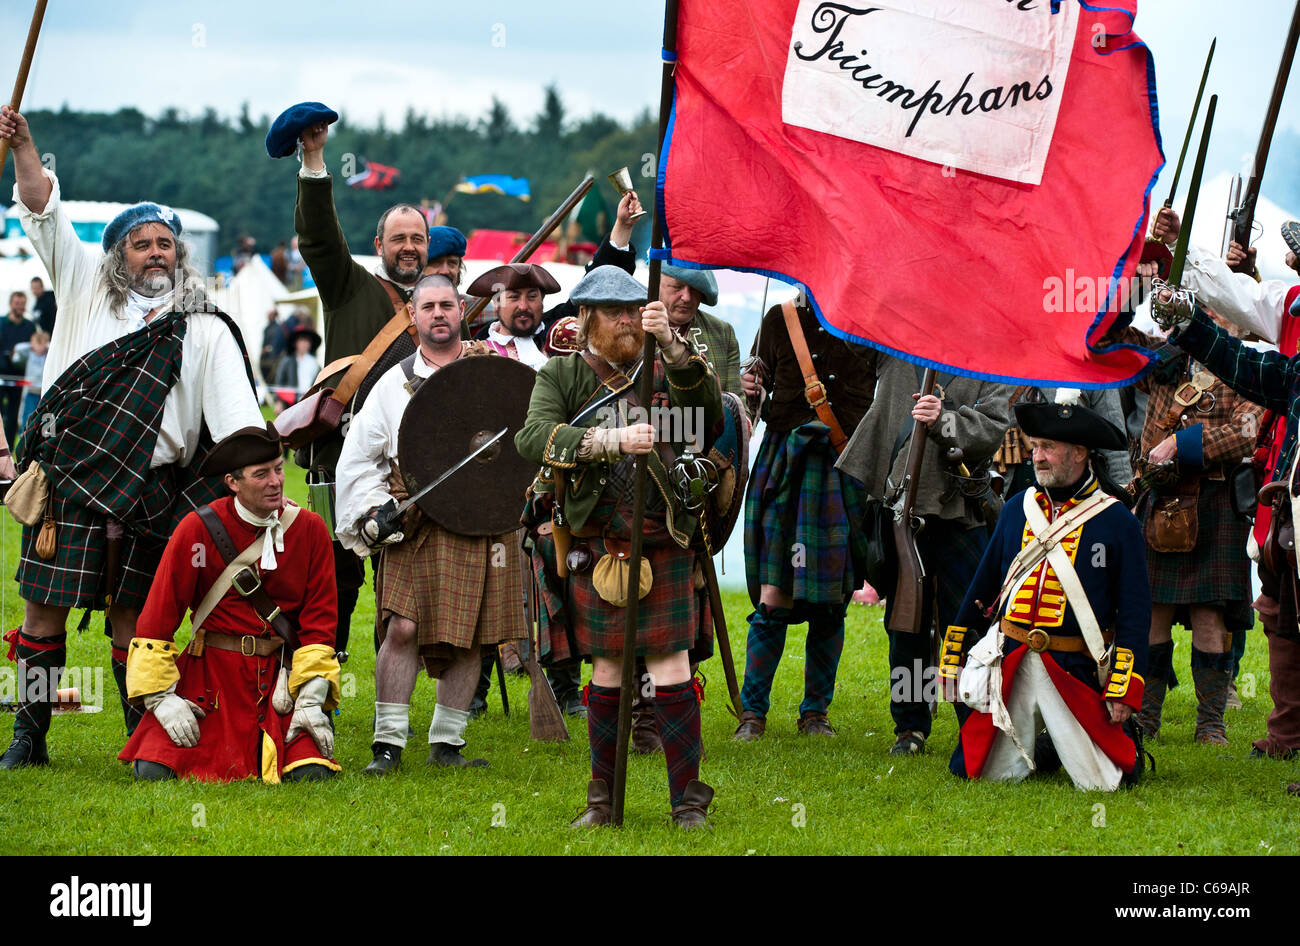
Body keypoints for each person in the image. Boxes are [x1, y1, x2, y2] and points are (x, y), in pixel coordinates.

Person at [0, 105, 265, 769]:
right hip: (71, 480)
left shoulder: (202, 324)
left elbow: (237, 421)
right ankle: (27, 739)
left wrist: (258, 478)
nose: (155, 253)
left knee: (137, 621)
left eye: (165, 243)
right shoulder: (85, 286)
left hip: (152, 488)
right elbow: (43, 207)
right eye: (141, 243)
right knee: (41, 617)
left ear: (180, 254)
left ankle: (135, 735)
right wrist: (25, 144)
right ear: (118, 253)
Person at [516, 265, 724, 828]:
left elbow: (709, 419)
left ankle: (688, 802)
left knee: (671, 665)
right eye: (614, 312)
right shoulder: (561, 375)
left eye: (634, 310)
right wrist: (609, 440)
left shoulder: (665, 365)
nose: (627, 321)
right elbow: (532, 437)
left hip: (664, 539)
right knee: (607, 669)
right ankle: (602, 802)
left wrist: (678, 355)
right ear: (586, 319)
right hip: (599, 544)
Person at [335, 274, 527, 774]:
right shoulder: (391, 382)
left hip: (485, 517)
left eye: (447, 305)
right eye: (428, 307)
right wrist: (375, 509)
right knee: (403, 627)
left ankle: (447, 745)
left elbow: (530, 437)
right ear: (414, 316)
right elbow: (358, 459)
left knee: (473, 632)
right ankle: (388, 745)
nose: (438, 314)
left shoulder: (493, 370)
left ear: (461, 310)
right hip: (415, 517)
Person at [1153, 207, 1300, 758]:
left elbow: (1250, 401)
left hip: (1222, 491)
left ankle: (1219, 722)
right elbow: (1241, 311)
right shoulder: (1292, 308)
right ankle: (1287, 735)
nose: (1290, 259)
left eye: (1298, 254)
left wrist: (1193, 327)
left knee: (1223, 614)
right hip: (1282, 494)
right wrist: (1182, 263)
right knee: (1282, 613)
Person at [947, 395, 1151, 790]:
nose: (1036, 457)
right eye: (1035, 447)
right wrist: (952, 659)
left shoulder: (1117, 520)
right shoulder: (1016, 509)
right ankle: (1045, 748)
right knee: (986, 774)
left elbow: (1135, 613)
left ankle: (1061, 746)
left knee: (1102, 783)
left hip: (1076, 668)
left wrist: (1123, 688)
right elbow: (982, 586)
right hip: (1013, 660)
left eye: (1048, 448)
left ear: (1079, 453)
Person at [118, 424, 340, 782]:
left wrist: (311, 698)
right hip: (209, 680)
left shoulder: (310, 529)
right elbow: (157, 618)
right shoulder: (196, 529)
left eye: (278, 468)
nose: (276, 481)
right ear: (233, 482)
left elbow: (320, 624)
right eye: (261, 474)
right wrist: (162, 699)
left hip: (280, 683)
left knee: (310, 775)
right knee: (153, 771)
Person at [290, 110, 431, 663]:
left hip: (410, 464)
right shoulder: (349, 285)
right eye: (398, 238)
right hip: (341, 456)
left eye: (417, 238)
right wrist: (314, 159)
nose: (408, 247)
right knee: (334, 584)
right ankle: (320, 685)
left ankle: (388, 703)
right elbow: (320, 237)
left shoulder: (441, 305)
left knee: (400, 591)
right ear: (379, 243)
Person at [836, 353, 1013, 754]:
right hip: (900, 504)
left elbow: (992, 429)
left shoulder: (991, 357)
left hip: (961, 511)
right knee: (906, 625)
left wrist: (944, 420)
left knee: (967, 623)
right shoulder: (895, 349)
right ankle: (910, 726)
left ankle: (974, 720)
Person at [1102, 313, 1263, 746]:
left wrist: (1182, 442)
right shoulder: (1163, 359)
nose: (1207, 321)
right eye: (1200, 313)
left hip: (1212, 500)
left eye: (1215, 314)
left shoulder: (1243, 368)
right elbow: (1106, 339)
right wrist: (1131, 287)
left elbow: (1248, 433)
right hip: (1159, 498)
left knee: (1209, 615)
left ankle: (1211, 725)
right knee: (1152, 612)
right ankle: (1146, 719)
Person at [731, 299, 878, 742]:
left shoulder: (869, 321)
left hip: (842, 464)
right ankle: (752, 714)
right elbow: (752, 402)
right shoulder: (780, 319)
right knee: (774, 596)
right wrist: (750, 391)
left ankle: (815, 714)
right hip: (785, 467)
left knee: (832, 601)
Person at [472, 193, 644, 350]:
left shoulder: (556, 331)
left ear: (542, 301)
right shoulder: (478, 345)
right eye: (514, 297)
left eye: (532, 297)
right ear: (496, 302)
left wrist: (623, 226)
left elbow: (599, 281)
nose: (523, 306)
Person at [659, 263, 742, 397]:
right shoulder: (634, 327)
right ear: (657, 284)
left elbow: (737, 400)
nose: (686, 297)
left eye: (694, 288)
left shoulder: (722, 332)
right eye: (677, 287)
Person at [0, 290, 36, 445]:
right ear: (11, 304)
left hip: (19, 376)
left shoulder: (29, 326)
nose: (20, 306)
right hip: (1, 374)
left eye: (22, 303)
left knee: (14, 414)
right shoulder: (1, 322)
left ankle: (8, 448)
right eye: (17, 303)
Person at [13, 327, 48, 438]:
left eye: (42, 343)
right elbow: (18, 348)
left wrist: (45, 345)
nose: (39, 347)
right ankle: (25, 440)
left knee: (46, 422)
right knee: (27, 419)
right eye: (37, 343)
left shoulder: (48, 354)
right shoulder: (29, 353)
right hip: (31, 393)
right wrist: (32, 344)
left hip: (44, 394)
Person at [273, 327, 322, 403]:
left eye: (307, 341)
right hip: (289, 402)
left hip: (308, 401)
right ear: (295, 343)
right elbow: (280, 382)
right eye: (302, 340)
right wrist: (278, 402)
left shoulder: (315, 364)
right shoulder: (287, 362)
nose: (304, 343)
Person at [259, 307, 286, 387]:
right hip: (267, 359)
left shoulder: (278, 328)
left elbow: (275, 345)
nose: (268, 316)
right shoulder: (268, 328)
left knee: (272, 380)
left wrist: (268, 349)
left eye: (270, 314)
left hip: (273, 359)